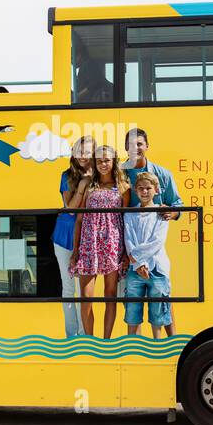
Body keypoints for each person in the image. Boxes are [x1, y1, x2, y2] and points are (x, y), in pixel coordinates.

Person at [122, 128, 182, 334]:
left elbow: (177, 204)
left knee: (163, 298)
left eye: (139, 143)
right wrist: (134, 260)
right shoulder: (118, 174)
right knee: (132, 303)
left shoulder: (163, 175)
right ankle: (134, 350)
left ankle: (171, 344)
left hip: (154, 253)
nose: (135, 148)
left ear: (147, 146)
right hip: (126, 248)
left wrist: (170, 213)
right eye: (130, 144)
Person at [69, 144, 129, 338]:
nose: (103, 164)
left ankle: (106, 341)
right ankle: (89, 339)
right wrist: (75, 249)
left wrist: (127, 253)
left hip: (113, 243)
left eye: (107, 160)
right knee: (86, 297)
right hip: (89, 242)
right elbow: (79, 218)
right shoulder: (87, 184)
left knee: (110, 295)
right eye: (99, 160)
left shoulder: (123, 186)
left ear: (114, 162)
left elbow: (126, 221)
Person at [53, 135, 96, 338]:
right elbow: (70, 209)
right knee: (69, 287)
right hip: (65, 235)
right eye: (78, 150)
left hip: (89, 236)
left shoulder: (101, 175)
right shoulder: (66, 175)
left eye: (87, 151)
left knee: (85, 290)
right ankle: (72, 336)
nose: (82, 155)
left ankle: (85, 335)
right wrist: (82, 186)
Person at [123, 172, 173, 338]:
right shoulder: (129, 214)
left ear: (156, 189)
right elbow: (129, 239)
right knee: (132, 311)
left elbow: (157, 241)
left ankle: (157, 345)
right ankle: (132, 345)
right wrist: (137, 265)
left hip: (157, 268)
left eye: (148, 188)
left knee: (158, 312)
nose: (145, 192)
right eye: (141, 189)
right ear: (136, 191)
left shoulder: (161, 213)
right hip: (135, 269)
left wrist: (138, 260)